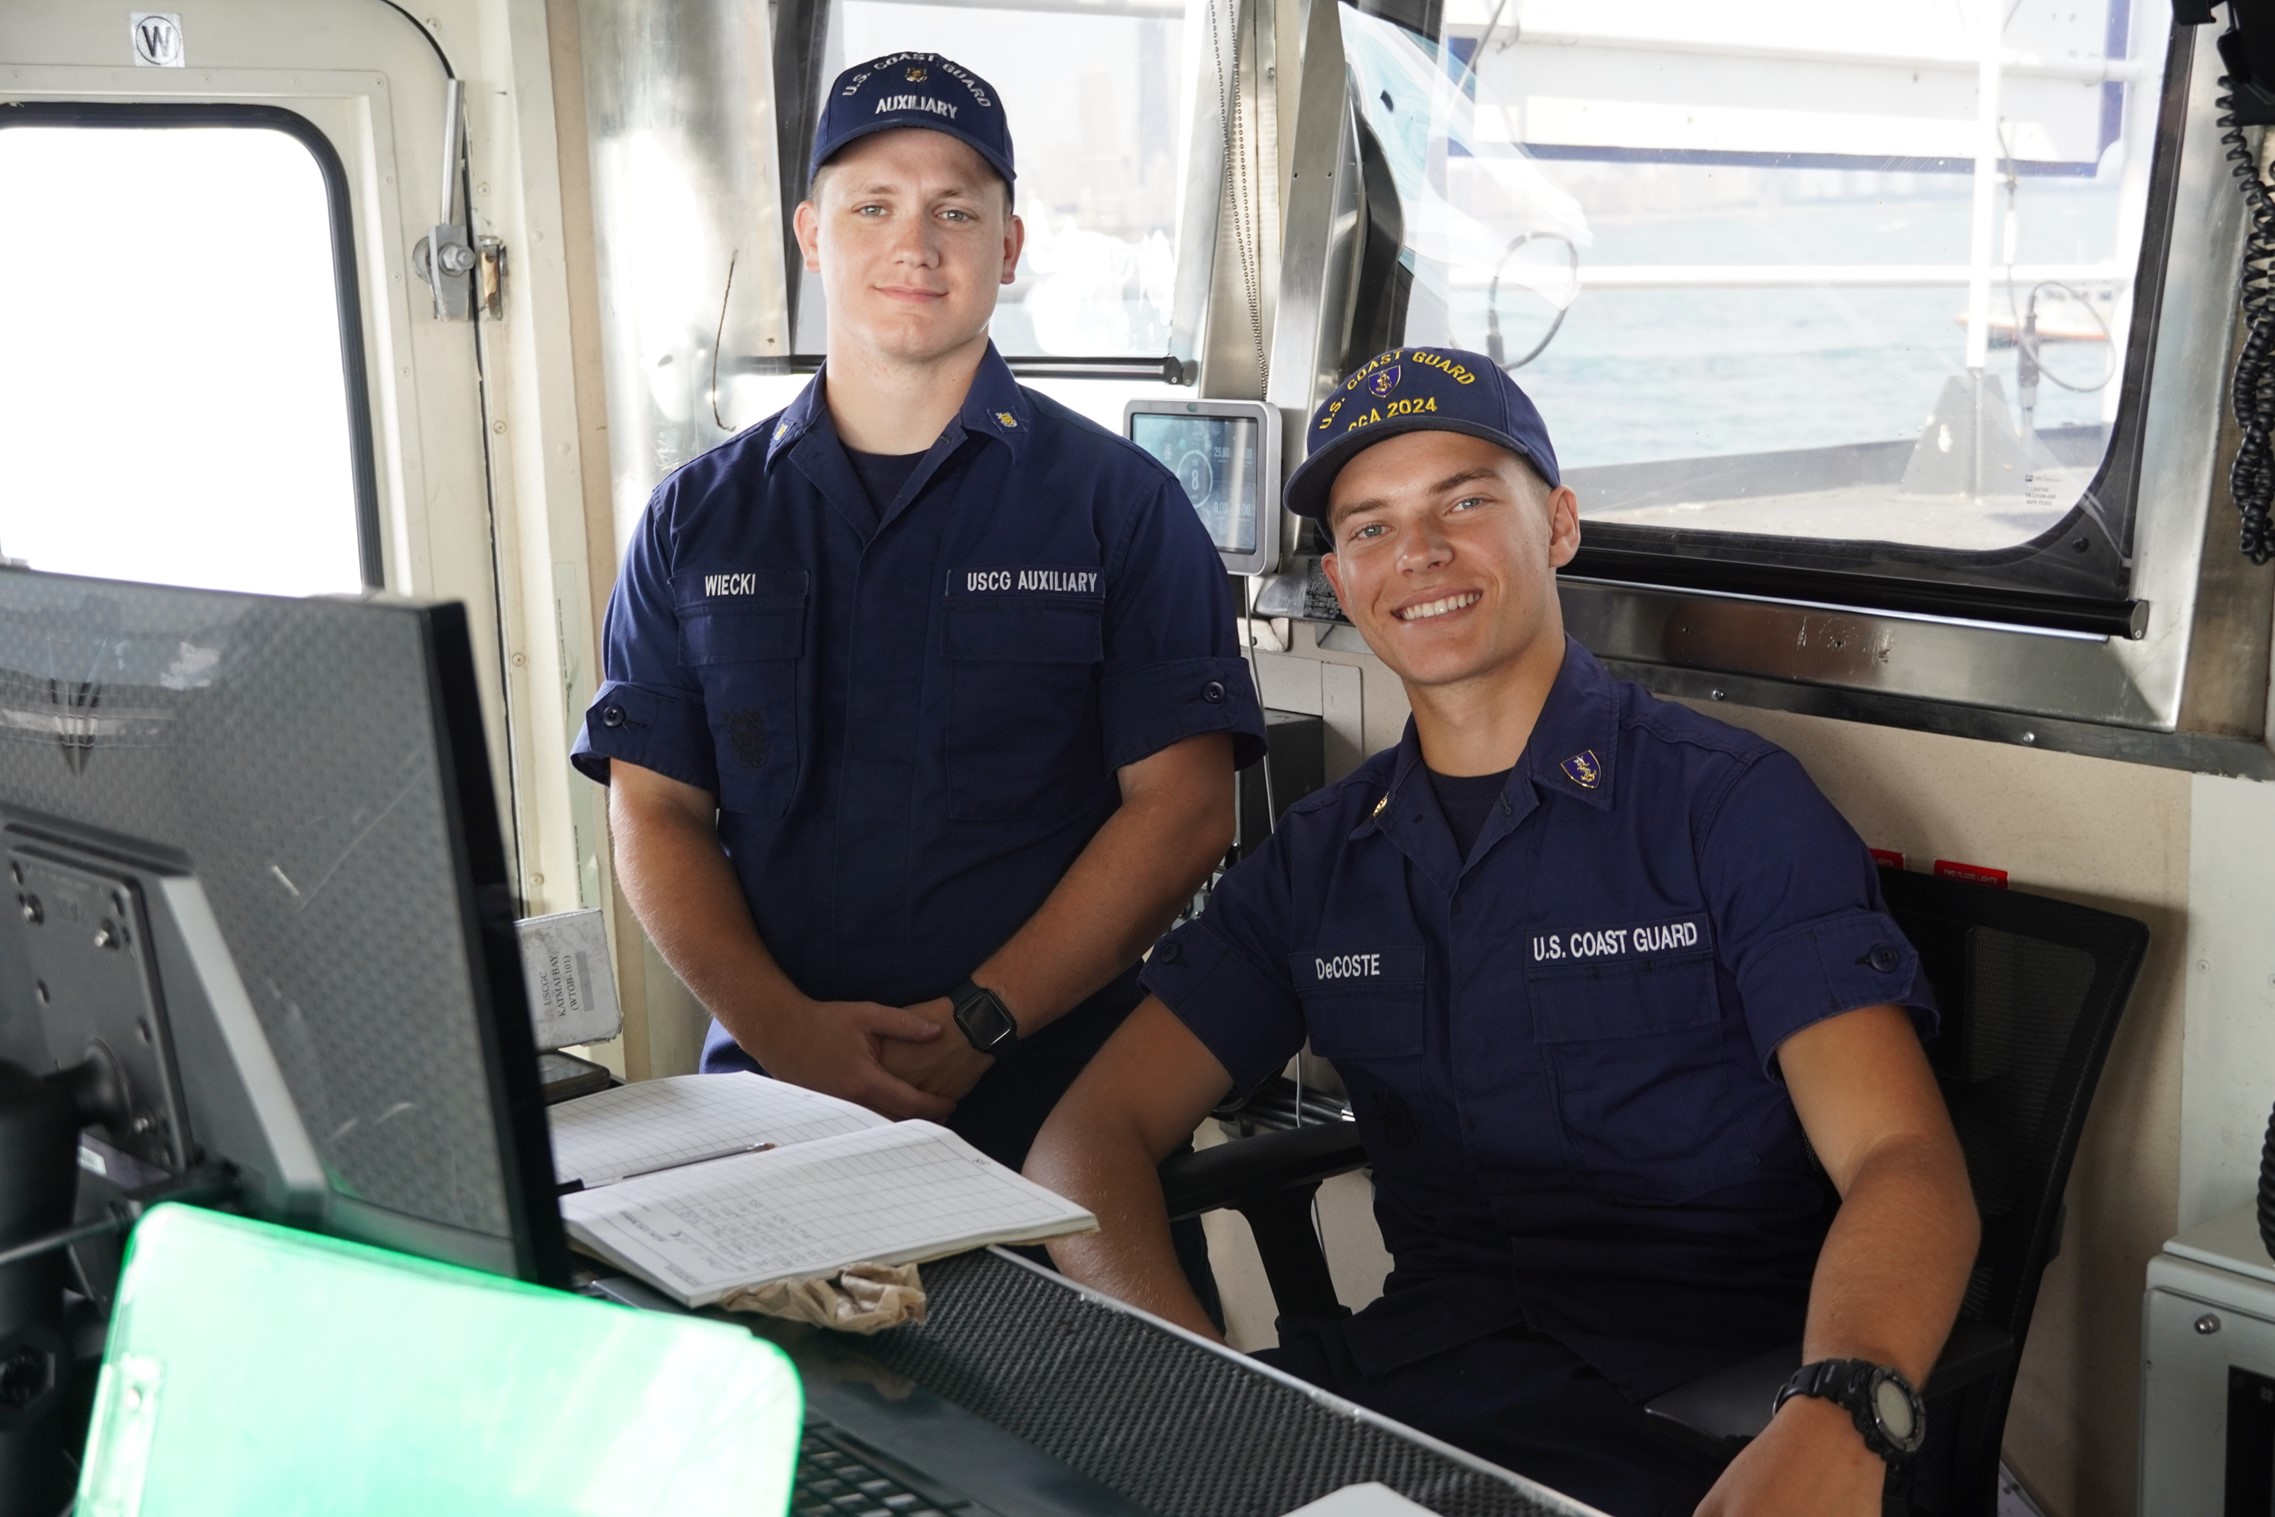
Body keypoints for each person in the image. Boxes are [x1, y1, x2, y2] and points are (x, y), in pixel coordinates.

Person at [1024, 346, 1980, 1517]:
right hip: (1411, 1385)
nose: (1417, 553)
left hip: (1693, 1410)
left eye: (1465, 500)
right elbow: (1084, 1139)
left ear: (1560, 524)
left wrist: (1838, 1408)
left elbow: (1903, 1161)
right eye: (1369, 527)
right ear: (1341, 574)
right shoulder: (1323, 856)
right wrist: (1204, 1389)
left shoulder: (1725, 807)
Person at [571, 52, 1265, 1188]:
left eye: (955, 209)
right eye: (873, 206)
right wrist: (788, 1034)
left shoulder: (1119, 505)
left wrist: (980, 1019)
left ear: (1009, 244)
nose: (917, 243)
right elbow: (654, 812)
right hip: (774, 1102)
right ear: (809, 232)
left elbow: (1184, 809)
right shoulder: (697, 520)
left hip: (1055, 1103)